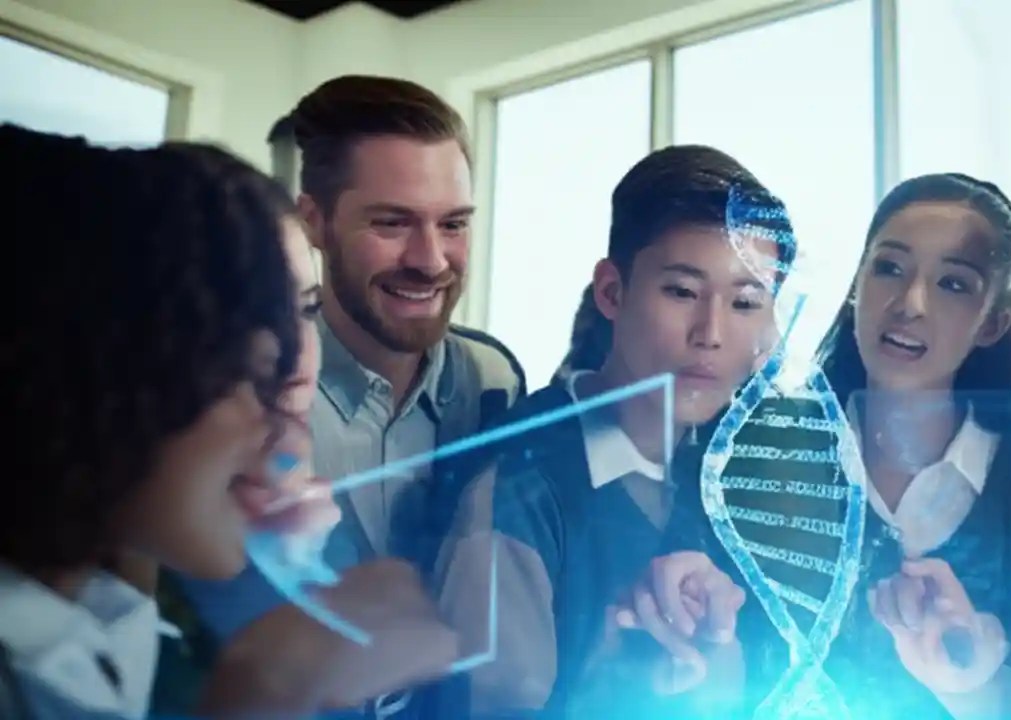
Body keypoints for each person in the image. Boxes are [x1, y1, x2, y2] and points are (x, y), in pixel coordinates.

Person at [0, 126, 458, 718]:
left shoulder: (107, 615)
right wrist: (263, 687)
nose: (288, 368)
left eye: (304, 309)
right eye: (231, 330)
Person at [620, 174, 1011, 719]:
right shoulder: (748, 453)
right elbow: (703, 684)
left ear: (993, 322)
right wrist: (699, 640)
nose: (911, 303)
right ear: (858, 285)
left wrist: (969, 680)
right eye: (889, 268)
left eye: (953, 284)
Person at [179, 75, 526, 717]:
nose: (430, 259)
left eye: (452, 224)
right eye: (392, 223)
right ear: (314, 220)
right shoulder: (244, 400)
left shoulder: (494, 380)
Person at [432, 145, 788, 717]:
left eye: (745, 301)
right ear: (612, 293)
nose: (712, 333)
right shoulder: (521, 486)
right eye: (682, 291)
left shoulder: (745, 480)